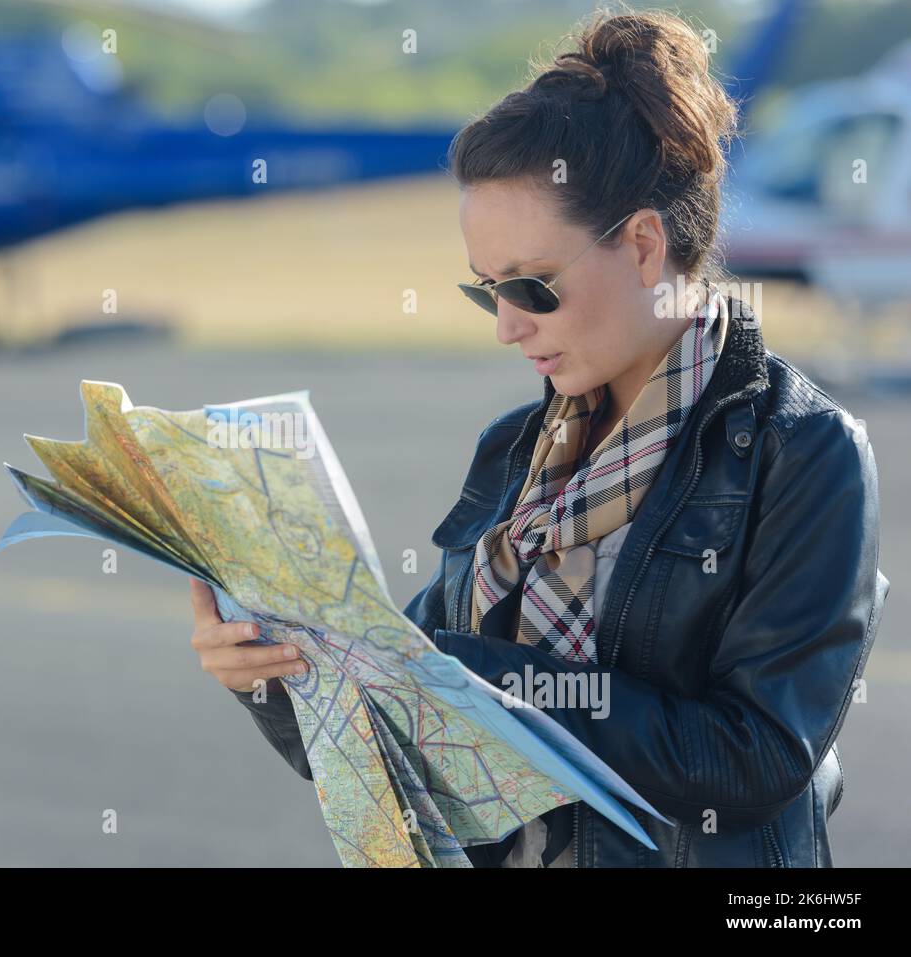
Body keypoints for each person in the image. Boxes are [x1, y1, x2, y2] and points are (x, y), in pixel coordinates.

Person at [188, 7, 889, 867]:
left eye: (530, 286)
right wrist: (277, 670)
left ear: (641, 246)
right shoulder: (517, 448)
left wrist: (486, 682)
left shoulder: (805, 451)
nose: (507, 326)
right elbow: (398, 718)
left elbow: (755, 759)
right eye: (487, 291)